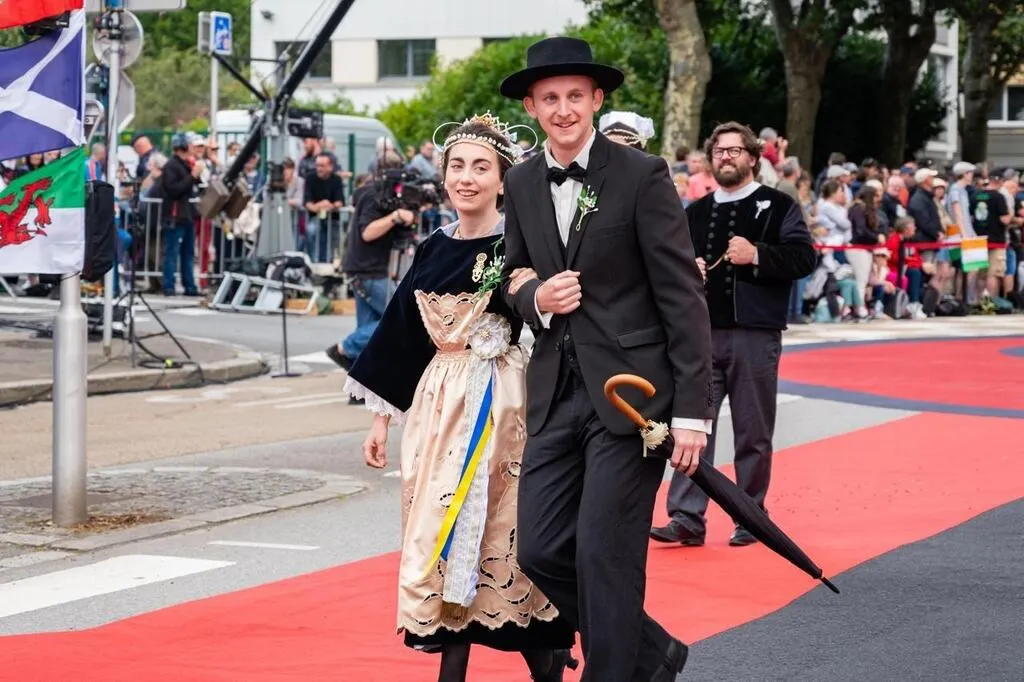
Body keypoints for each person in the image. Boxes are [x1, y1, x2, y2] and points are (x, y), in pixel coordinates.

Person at [497, 36, 713, 681]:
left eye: (574, 96)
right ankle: (652, 653)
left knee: (605, 553)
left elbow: (682, 297)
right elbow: (512, 278)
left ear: (596, 100)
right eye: (549, 98)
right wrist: (538, 295)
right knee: (538, 549)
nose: (563, 109)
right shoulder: (521, 180)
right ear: (532, 108)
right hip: (556, 393)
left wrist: (695, 414)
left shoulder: (641, 175)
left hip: (631, 396)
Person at [343, 114, 577, 682]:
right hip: (438, 406)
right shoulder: (432, 248)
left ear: (503, 180)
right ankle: (457, 643)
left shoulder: (519, 244)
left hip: (504, 402)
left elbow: (551, 319)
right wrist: (380, 420)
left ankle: (541, 652)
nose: (466, 178)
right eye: (456, 167)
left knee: (502, 527)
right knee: (438, 526)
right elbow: (399, 334)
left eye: (481, 168)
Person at [650, 121, 816, 547]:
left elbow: (803, 258)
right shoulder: (696, 211)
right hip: (700, 335)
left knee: (753, 429)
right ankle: (687, 516)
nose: (726, 157)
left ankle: (751, 514)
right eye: (720, 151)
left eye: (735, 151)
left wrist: (757, 254)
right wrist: (689, 270)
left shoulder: (778, 204)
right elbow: (669, 264)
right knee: (692, 425)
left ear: (754, 158)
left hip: (754, 334)